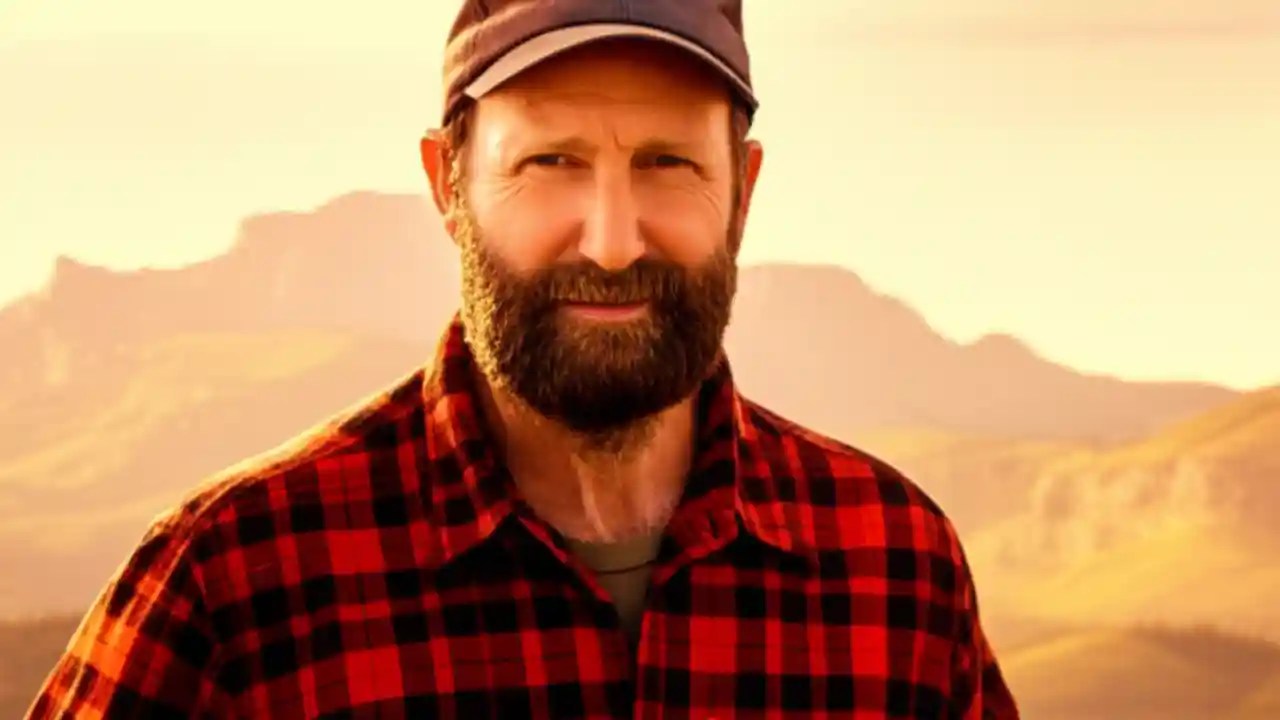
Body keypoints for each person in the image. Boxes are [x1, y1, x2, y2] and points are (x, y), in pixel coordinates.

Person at [27, 0, 1020, 717]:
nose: (612, 239)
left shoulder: (894, 568)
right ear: (446, 184)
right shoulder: (234, 584)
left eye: (667, 165)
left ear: (744, 188)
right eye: (551, 163)